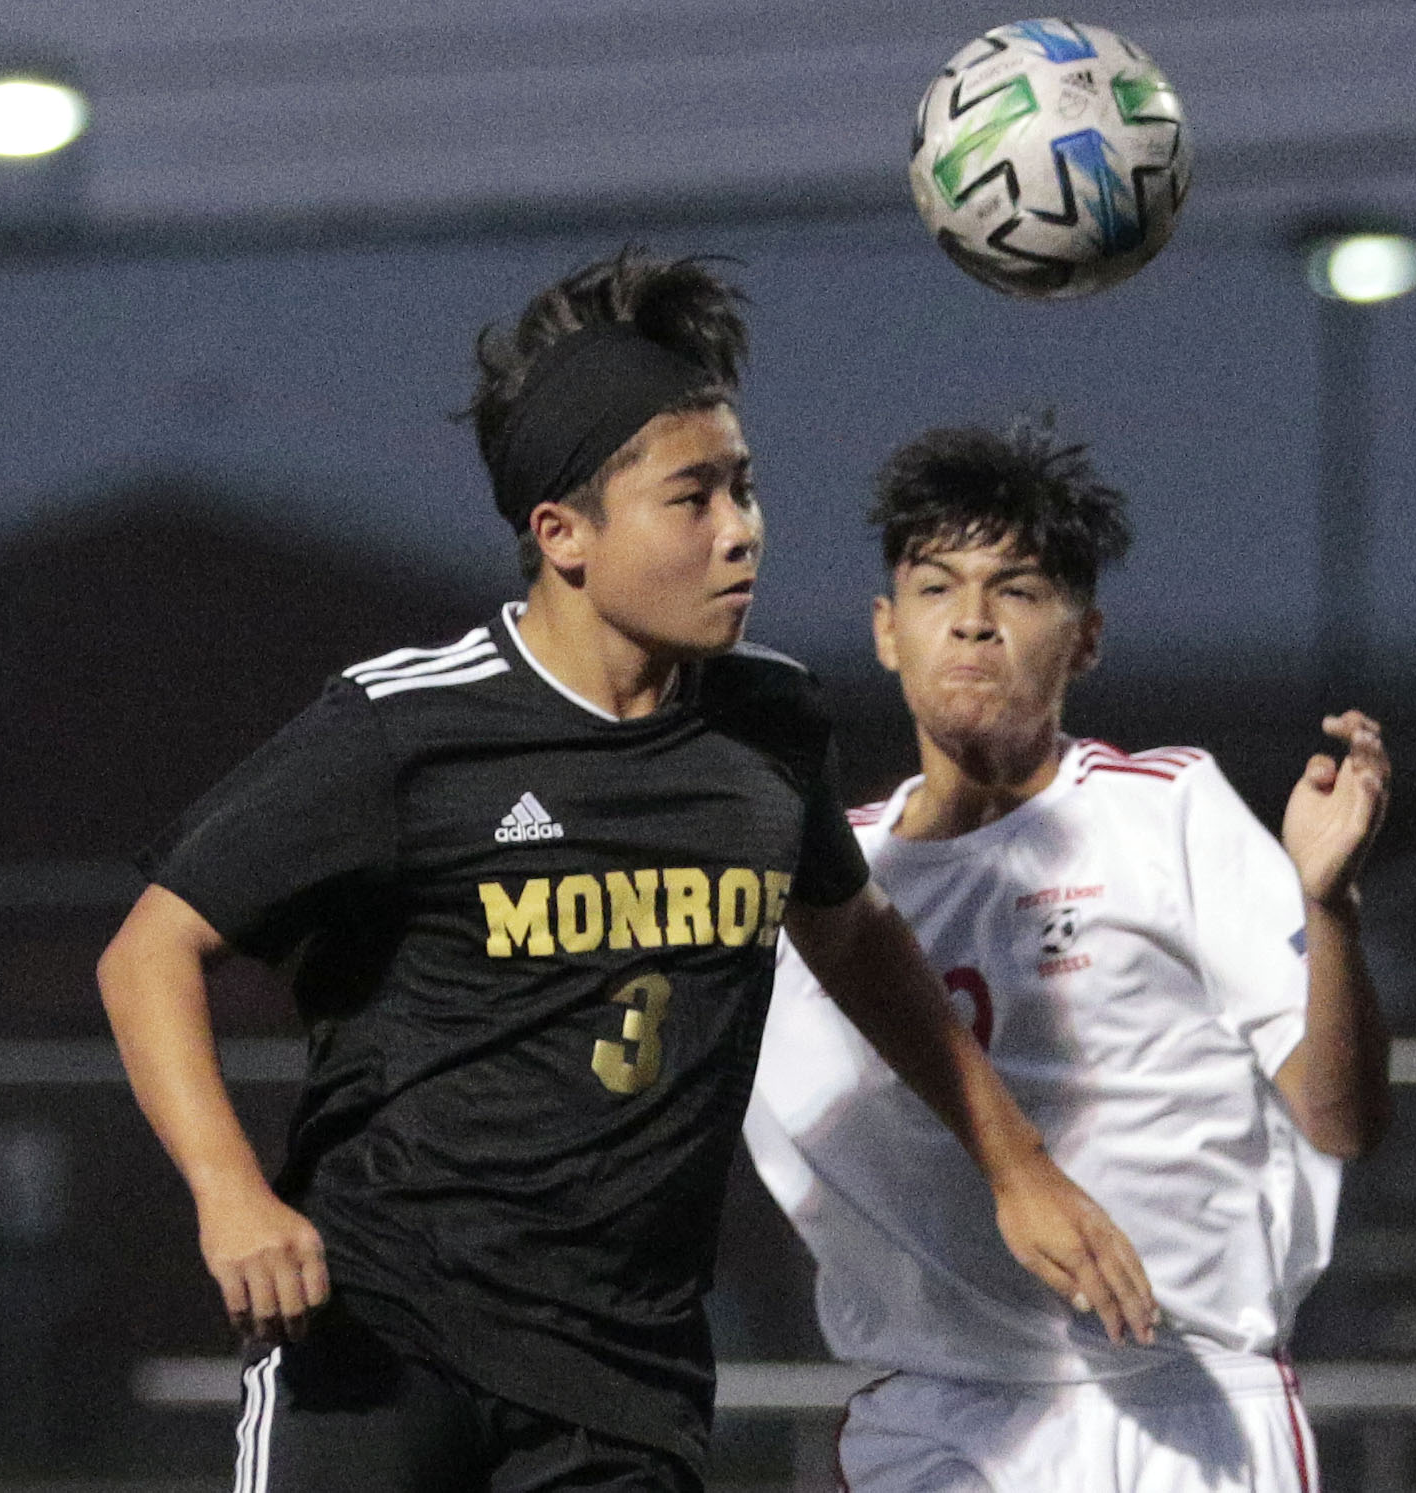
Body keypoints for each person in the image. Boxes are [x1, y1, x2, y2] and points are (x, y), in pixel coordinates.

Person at [96, 254, 1154, 1493]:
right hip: (382, 1341)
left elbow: (855, 932)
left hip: (623, 1379)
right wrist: (232, 1194)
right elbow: (147, 952)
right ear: (565, 535)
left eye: (745, 489)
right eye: (691, 498)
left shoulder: (766, 727)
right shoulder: (406, 729)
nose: (741, 529)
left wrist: (1016, 1165)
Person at [744, 417, 1392, 1493]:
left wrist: (1330, 910)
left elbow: (1340, 1117)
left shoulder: (1167, 814)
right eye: (937, 588)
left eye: (1019, 591)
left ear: (1085, 636)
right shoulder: (816, 884)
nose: (974, 624)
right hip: (934, 1420)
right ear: (885, 629)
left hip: (1179, 1406)